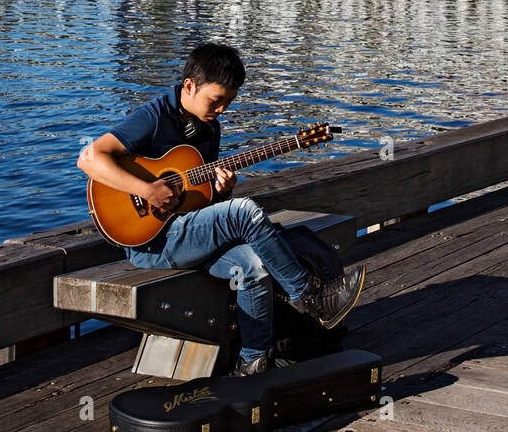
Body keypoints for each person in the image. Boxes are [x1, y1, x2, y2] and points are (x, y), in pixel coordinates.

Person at [78, 43, 365, 375]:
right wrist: (147, 190)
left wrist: (221, 192)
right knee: (245, 211)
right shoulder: (154, 117)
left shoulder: (209, 127)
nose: (222, 109)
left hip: (190, 236)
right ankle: (310, 295)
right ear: (189, 86)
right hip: (152, 243)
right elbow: (89, 158)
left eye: (229, 102)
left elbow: (200, 204)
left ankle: (253, 362)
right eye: (216, 100)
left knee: (254, 265)